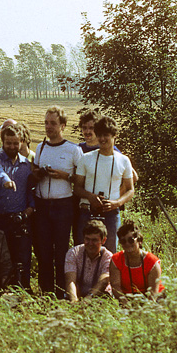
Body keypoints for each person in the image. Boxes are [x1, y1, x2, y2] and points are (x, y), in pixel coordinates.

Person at [31, 106, 82, 299]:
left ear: (63, 125)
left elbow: (81, 180)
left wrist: (65, 176)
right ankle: (46, 294)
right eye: (46, 122)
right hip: (42, 205)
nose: (48, 127)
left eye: (53, 123)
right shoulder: (40, 147)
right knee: (43, 252)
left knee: (61, 252)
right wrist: (38, 174)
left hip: (63, 206)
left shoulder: (73, 149)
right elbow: (34, 174)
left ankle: (63, 293)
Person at [74, 115, 134, 252]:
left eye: (106, 135)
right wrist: (90, 197)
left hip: (111, 213)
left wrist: (117, 203)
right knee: (84, 253)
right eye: (99, 135)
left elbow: (131, 190)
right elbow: (77, 187)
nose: (102, 139)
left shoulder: (123, 160)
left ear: (114, 136)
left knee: (110, 254)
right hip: (87, 212)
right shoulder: (86, 158)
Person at [0, 123, 35, 289]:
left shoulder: (26, 166)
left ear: (22, 142)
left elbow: (31, 192)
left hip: (19, 219)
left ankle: (22, 292)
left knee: (21, 259)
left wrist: (29, 210)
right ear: (3, 142)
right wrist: (6, 180)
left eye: (16, 143)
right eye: (8, 143)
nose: (12, 147)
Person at [109, 220, 162, 301]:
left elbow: (153, 293)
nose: (127, 244)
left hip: (153, 299)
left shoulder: (152, 262)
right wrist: (126, 304)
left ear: (139, 240)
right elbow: (116, 288)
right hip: (128, 299)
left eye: (131, 240)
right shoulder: (116, 260)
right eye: (123, 241)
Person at [64, 220, 113, 302]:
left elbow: (103, 281)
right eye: (87, 239)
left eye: (94, 240)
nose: (90, 243)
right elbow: (70, 280)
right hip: (77, 295)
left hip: (99, 297)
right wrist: (74, 301)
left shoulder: (108, 257)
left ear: (103, 240)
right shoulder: (73, 253)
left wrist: (88, 299)